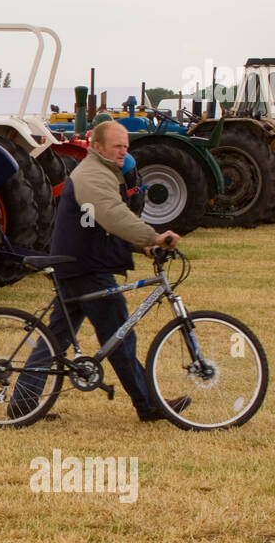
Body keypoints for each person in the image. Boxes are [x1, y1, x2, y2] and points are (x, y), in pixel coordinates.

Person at [11, 121, 186, 422]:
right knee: (118, 336)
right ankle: (148, 405)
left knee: (56, 338)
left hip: (77, 263)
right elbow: (112, 215)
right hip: (85, 267)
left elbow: (103, 224)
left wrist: (139, 246)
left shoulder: (103, 172)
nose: (122, 152)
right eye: (117, 146)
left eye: (126, 147)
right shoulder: (93, 174)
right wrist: (152, 237)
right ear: (97, 146)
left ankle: (23, 404)